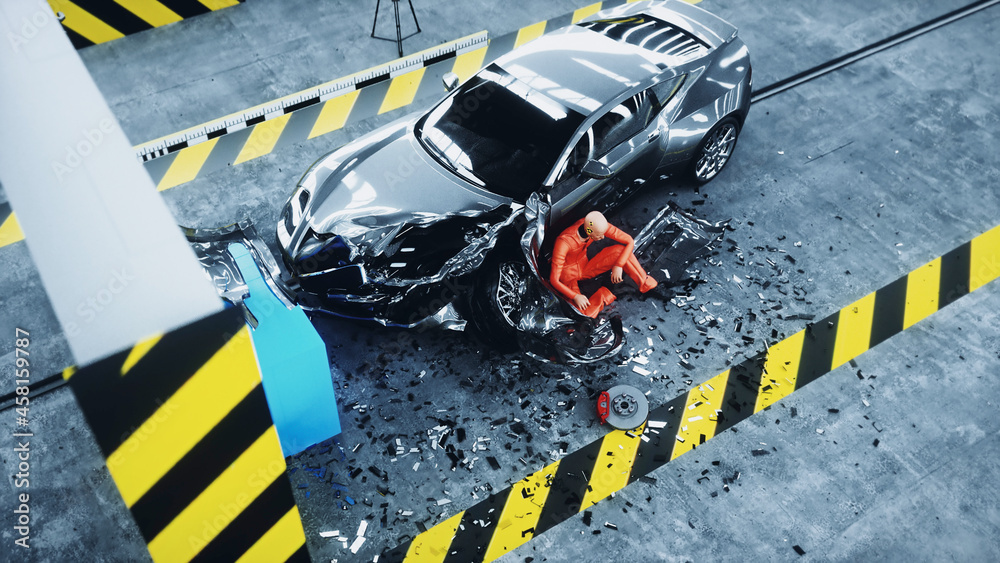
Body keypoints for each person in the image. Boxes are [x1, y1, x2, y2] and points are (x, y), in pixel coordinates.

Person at [549, 210, 658, 317]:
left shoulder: (592, 224)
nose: (603, 237)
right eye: (600, 235)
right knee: (582, 313)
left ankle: (646, 284)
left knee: (620, 251)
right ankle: (604, 295)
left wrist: (618, 265)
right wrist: (575, 296)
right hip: (568, 277)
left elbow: (629, 241)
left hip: (584, 267)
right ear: (589, 231)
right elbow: (554, 279)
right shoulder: (564, 242)